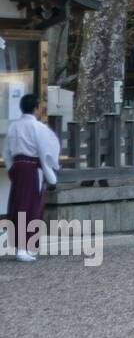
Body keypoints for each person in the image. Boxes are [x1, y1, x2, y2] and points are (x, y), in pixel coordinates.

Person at [2, 94, 60, 262]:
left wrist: (12, 168)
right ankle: (24, 248)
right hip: (32, 168)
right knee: (31, 206)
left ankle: (22, 246)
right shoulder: (38, 127)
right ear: (35, 108)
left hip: (18, 167)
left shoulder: (14, 127)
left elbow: (6, 151)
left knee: (18, 204)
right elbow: (46, 152)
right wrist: (51, 173)